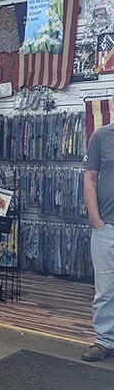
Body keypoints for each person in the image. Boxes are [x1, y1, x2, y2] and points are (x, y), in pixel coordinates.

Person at [82, 123, 114, 360]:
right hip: (107, 226)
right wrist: (95, 219)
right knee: (105, 289)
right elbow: (90, 178)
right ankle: (105, 340)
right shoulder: (102, 136)